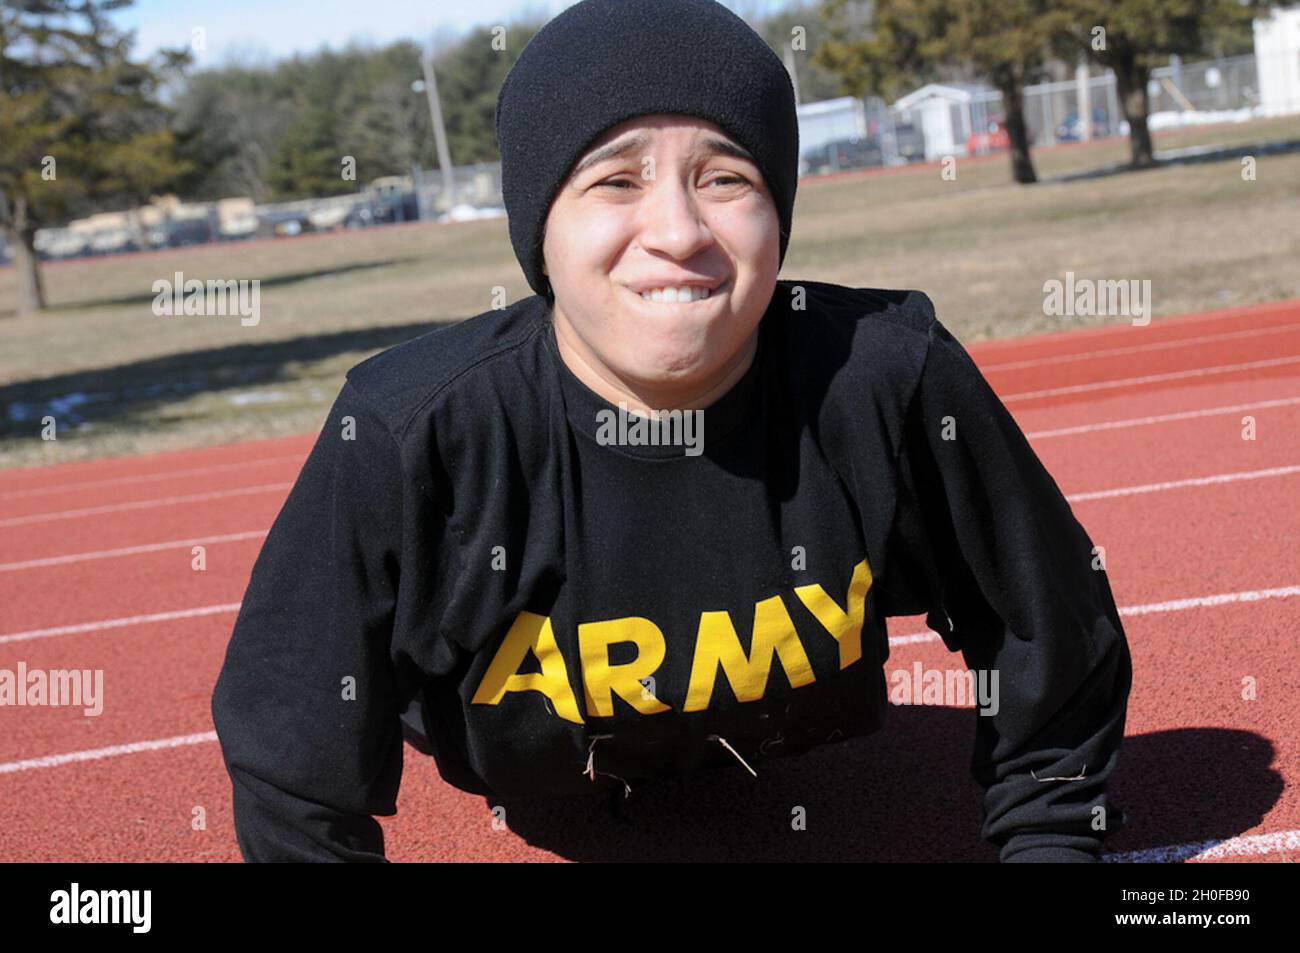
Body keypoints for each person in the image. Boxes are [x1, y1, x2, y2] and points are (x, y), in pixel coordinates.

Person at [211, 0, 1132, 863]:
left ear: (779, 209)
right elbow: (291, 749)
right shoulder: (411, 430)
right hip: (541, 787)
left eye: (725, 176)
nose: (679, 229)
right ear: (541, 230)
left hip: (792, 762)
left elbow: (1049, 628)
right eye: (615, 180)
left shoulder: (886, 379)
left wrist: (1050, 835)